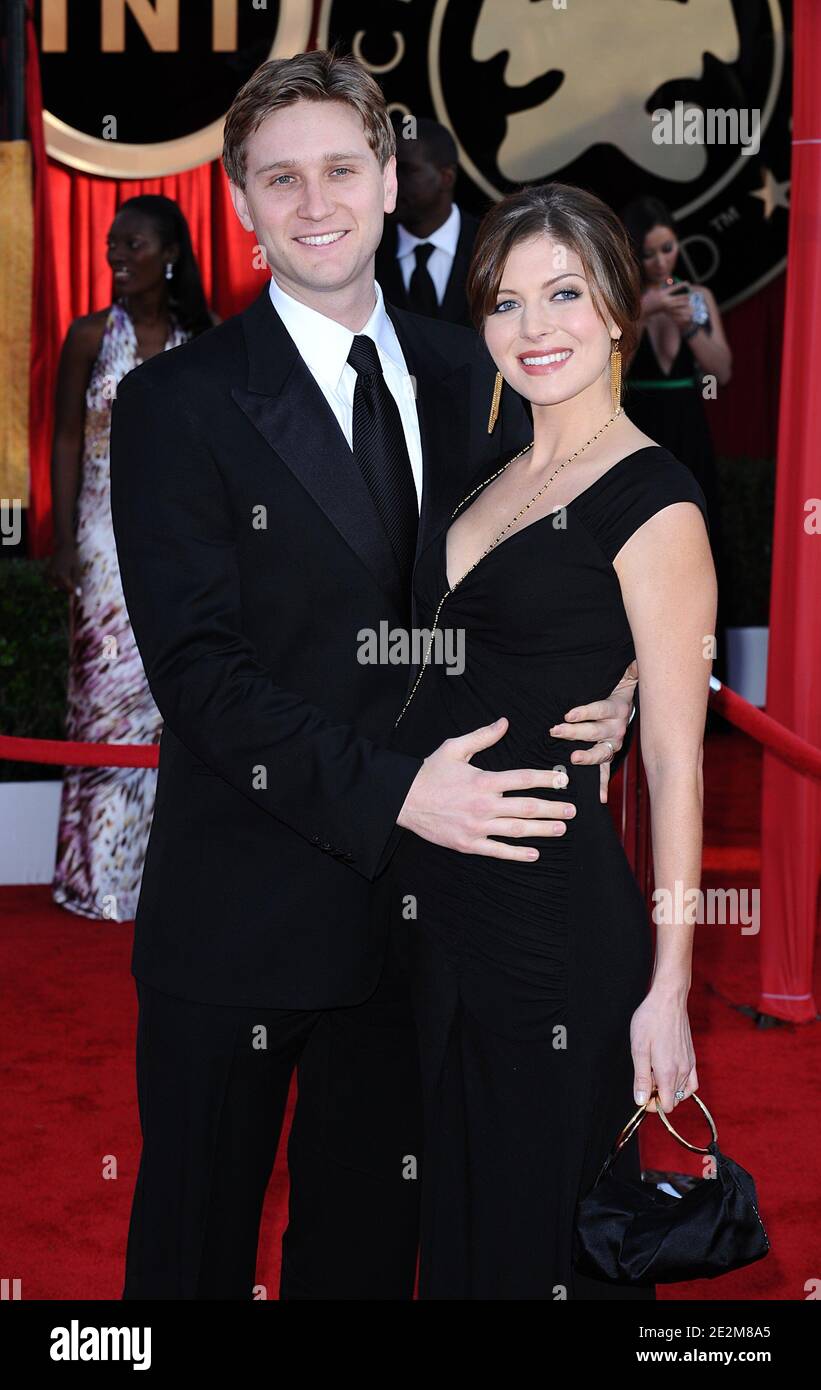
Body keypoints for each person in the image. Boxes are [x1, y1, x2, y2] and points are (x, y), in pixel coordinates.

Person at [109, 50, 638, 1301]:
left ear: (391, 177)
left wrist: (612, 676)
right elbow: (199, 676)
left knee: (360, 1255)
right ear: (238, 201)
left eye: (341, 167)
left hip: (425, 924)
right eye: (277, 177)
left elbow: (562, 564)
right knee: (186, 1254)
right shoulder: (174, 404)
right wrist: (399, 792)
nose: (314, 202)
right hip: (239, 907)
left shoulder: (481, 374)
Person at [387, 182, 717, 1300]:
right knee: (458, 1237)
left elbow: (675, 763)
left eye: (563, 294)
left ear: (620, 307)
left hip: (554, 932)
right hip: (437, 919)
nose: (533, 328)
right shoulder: (483, 470)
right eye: (506, 301)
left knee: (544, 1252)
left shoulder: (655, 500)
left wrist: (669, 984)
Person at [48, 195, 214, 922]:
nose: (119, 256)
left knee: (166, 706)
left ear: (170, 252)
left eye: (134, 245)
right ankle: (94, 879)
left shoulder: (201, 340)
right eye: (113, 245)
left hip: (179, 544)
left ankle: (159, 878)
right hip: (99, 540)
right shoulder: (89, 336)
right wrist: (60, 543)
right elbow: (63, 440)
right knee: (101, 703)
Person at [620, 195, 731, 675]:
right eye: (649, 253)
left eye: (667, 248)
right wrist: (643, 313)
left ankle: (707, 681)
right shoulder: (623, 301)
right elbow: (610, 361)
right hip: (641, 425)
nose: (661, 261)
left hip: (689, 426)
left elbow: (721, 370)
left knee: (702, 543)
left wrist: (691, 329)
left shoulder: (698, 298)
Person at [375, 116, 479, 326]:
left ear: (446, 177)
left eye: (405, 170)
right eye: (385, 170)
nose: (390, 182)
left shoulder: (491, 244)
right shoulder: (369, 249)